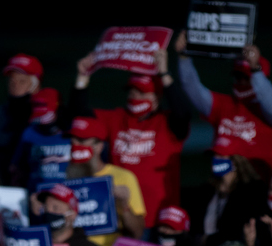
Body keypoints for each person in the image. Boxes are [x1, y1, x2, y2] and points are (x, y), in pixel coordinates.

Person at [72, 38, 191, 222]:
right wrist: (83, 77)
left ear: (157, 97)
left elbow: (183, 112)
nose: (135, 95)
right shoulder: (117, 118)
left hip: (159, 217)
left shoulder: (167, 123)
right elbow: (79, 115)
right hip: (121, 215)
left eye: (141, 91)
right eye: (131, 90)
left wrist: (164, 73)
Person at [176, 40, 272, 179]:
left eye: (247, 77)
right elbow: (192, 87)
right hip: (223, 181)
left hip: (257, 185)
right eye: (238, 77)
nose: (242, 82)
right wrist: (184, 57)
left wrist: (255, 69)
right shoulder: (224, 104)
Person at [65, 115, 146, 246]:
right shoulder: (63, 179)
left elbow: (137, 232)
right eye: (72, 141)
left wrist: (124, 205)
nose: (75, 146)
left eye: (82, 140)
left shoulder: (123, 177)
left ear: (99, 146)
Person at [0, 54, 44, 174]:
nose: (15, 84)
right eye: (11, 79)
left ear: (36, 84)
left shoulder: (45, 115)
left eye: (22, 81)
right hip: (1, 179)